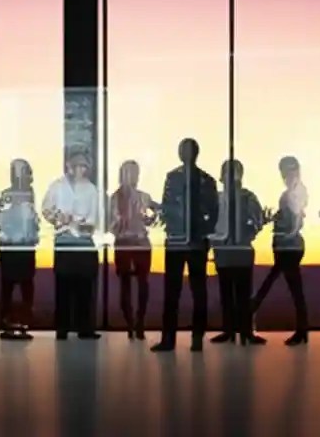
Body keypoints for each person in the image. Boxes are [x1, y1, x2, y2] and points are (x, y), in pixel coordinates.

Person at [152, 138, 218, 353]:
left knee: (198, 291)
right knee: (172, 291)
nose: (184, 154)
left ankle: (197, 338)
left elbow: (213, 212)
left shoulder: (207, 181)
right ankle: (168, 339)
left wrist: (201, 231)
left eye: (188, 150)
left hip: (197, 242)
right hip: (177, 242)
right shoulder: (172, 178)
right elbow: (168, 206)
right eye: (182, 150)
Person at [42, 147, 102, 340]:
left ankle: (85, 328)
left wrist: (79, 224)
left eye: (84, 166)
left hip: (84, 243)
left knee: (85, 288)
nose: (81, 170)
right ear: (69, 165)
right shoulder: (56, 186)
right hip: (64, 242)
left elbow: (93, 220)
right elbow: (46, 209)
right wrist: (59, 219)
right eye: (77, 165)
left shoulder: (92, 189)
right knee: (64, 287)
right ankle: (62, 328)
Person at [251, 155, 310, 346]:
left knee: (286, 285)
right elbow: (289, 217)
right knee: (288, 285)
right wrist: (273, 219)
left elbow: (294, 222)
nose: (284, 175)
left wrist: (284, 232)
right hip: (287, 246)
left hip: (289, 247)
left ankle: (250, 312)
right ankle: (302, 330)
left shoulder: (294, 193)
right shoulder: (293, 192)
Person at [211, 159, 269, 346]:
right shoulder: (218, 198)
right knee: (227, 293)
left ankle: (245, 331)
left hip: (241, 250)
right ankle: (230, 330)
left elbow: (258, 221)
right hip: (225, 251)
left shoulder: (247, 197)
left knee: (242, 294)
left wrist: (247, 232)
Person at [108, 160, 160, 340]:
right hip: (124, 243)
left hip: (140, 243)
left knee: (142, 283)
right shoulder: (115, 198)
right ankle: (130, 322)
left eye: (135, 172)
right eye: (130, 172)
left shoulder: (144, 196)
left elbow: (155, 213)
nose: (133, 176)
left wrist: (151, 219)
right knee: (125, 284)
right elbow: (111, 224)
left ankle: (139, 322)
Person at [0, 159, 40, 341]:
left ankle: (23, 321)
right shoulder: (7, 195)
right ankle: (8, 322)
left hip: (25, 247)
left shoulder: (30, 194)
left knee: (25, 286)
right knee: (9, 287)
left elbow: (30, 219)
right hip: (12, 247)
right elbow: (3, 220)